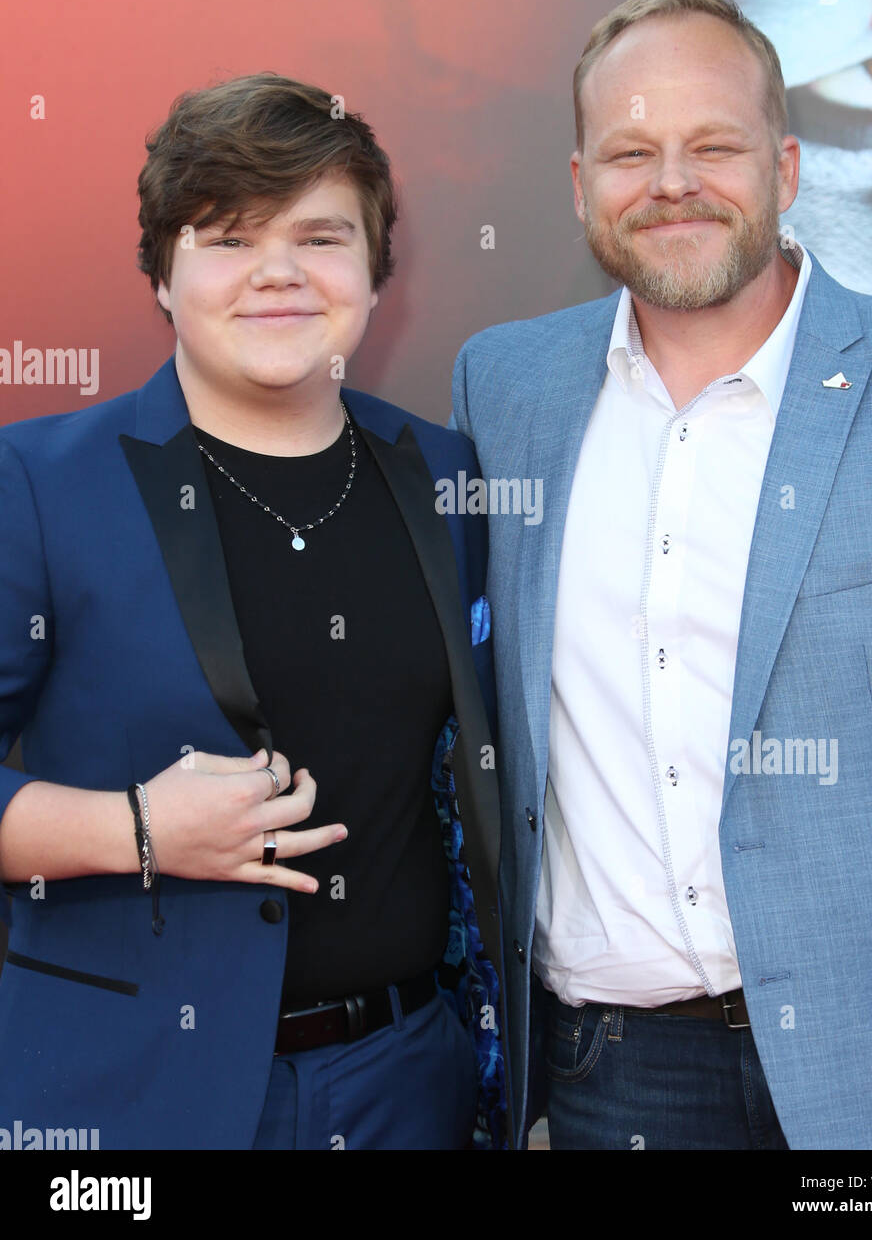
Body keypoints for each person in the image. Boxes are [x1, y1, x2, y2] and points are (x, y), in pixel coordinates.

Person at [450, 0, 872, 1150]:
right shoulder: (504, 390)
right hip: (615, 1072)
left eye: (712, 146)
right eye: (630, 150)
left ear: (785, 168)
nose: (671, 181)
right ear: (579, 184)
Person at [0, 74, 507, 1151]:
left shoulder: (447, 476)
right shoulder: (37, 482)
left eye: (320, 236)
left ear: (376, 271)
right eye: (228, 238)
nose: (278, 271)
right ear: (162, 278)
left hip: (404, 1087)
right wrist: (129, 828)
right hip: (124, 1095)